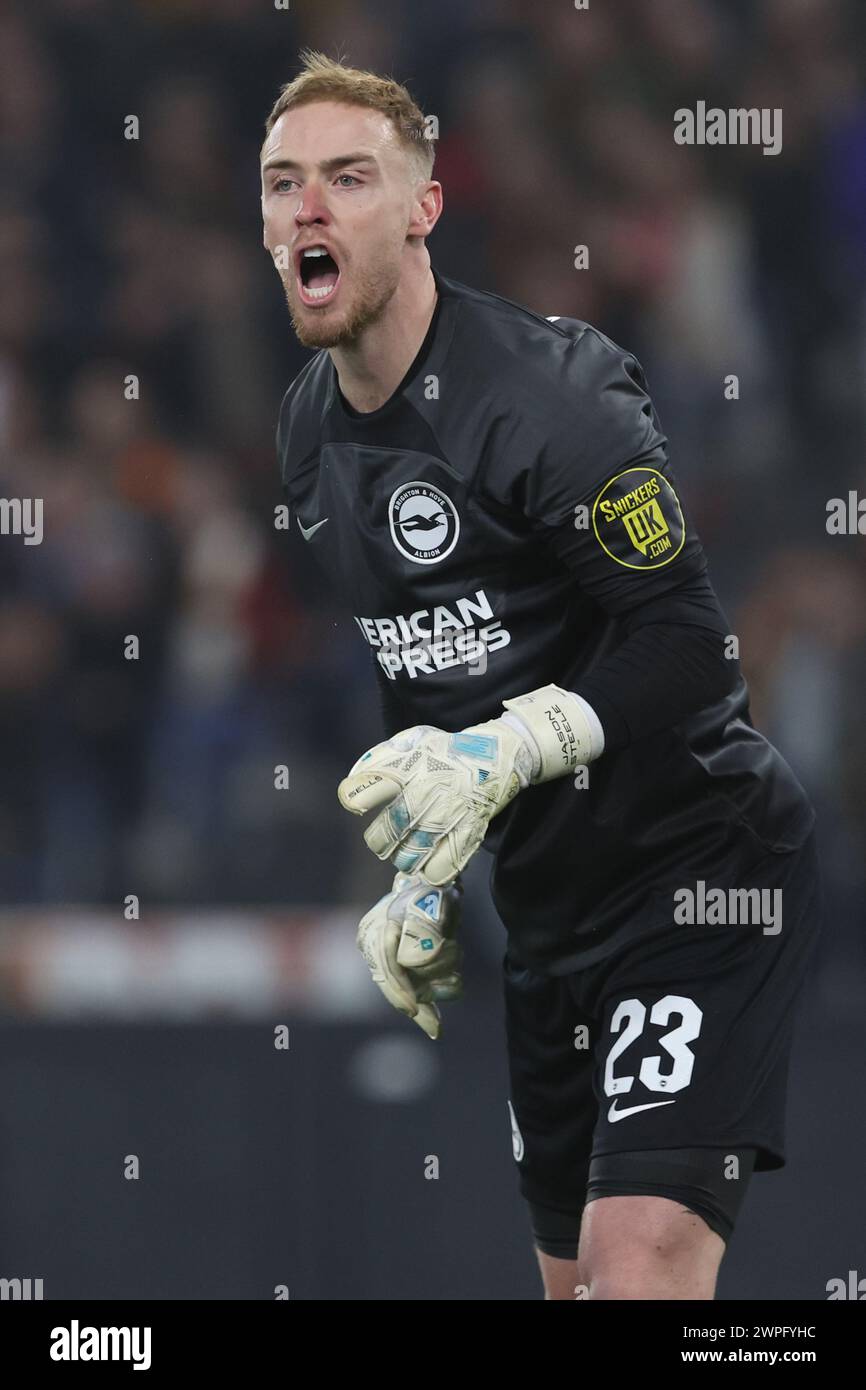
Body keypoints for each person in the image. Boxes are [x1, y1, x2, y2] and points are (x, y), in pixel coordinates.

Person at [263, 51, 820, 1301]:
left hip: (699, 872)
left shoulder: (546, 399)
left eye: (347, 178)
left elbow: (689, 644)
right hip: (550, 920)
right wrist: (422, 863)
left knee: (638, 1281)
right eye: (282, 183)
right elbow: (428, 665)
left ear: (422, 208)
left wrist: (511, 746)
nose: (307, 208)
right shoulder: (306, 432)